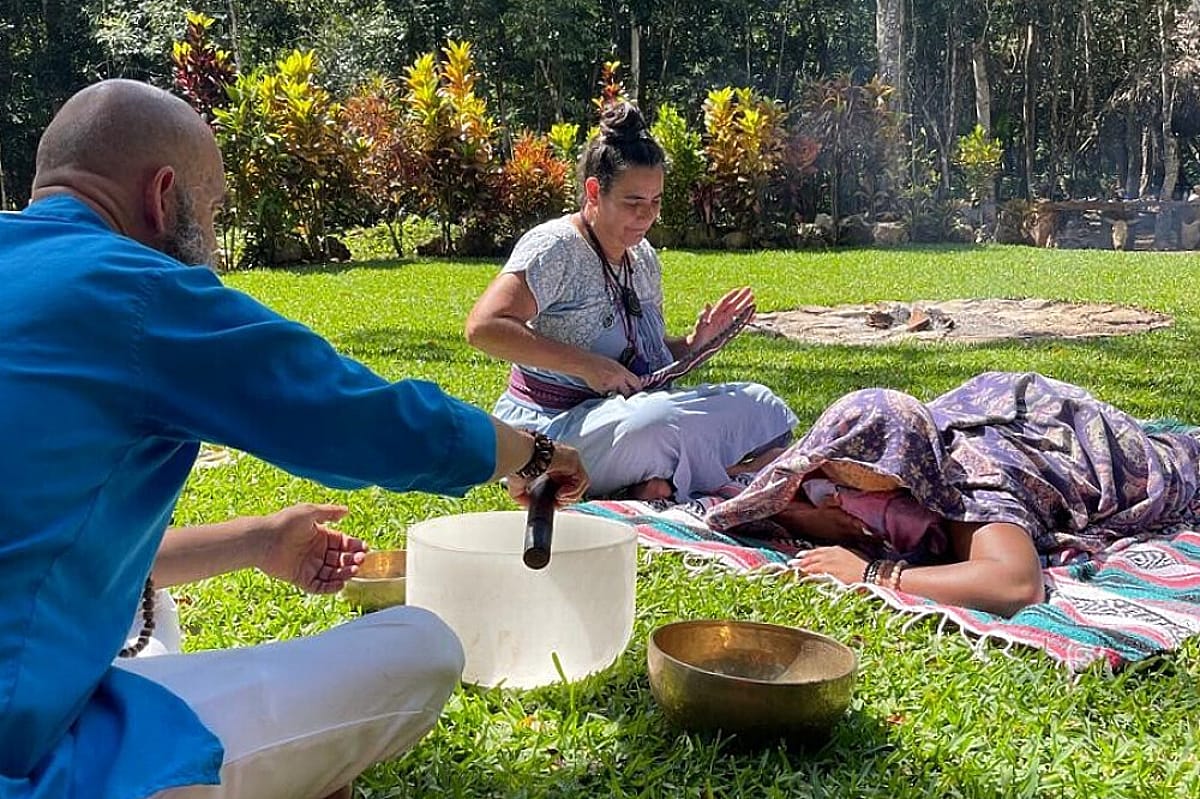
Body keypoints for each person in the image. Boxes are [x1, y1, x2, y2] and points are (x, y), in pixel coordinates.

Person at [0, 79, 589, 799]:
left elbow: (44, 547)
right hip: (25, 760)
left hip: (33, 664)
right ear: (162, 196)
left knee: (148, 607)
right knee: (422, 647)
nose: (211, 232)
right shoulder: (138, 293)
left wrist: (260, 539)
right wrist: (533, 453)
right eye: (212, 207)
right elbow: (367, 422)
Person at [466, 102, 797, 502]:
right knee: (654, 425)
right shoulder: (555, 247)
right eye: (633, 201)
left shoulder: (642, 257)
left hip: (628, 414)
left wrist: (695, 343)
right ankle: (707, 475)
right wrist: (587, 366)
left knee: (762, 404)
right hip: (553, 427)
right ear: (594, 191)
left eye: (655, 202)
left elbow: (647, 361)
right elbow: (483, 328)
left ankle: (661, 481)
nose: (646, 215)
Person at [706, 371, 1200, 617]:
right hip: (996, 401)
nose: (830, 490)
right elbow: (776, 485)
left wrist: (873, 575)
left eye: (844, 483)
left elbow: (1016, 585)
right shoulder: (873, 439)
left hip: (1075, 441)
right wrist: (807, 517)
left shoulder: (976, 489)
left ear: (905, 480)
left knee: (1183, 459)